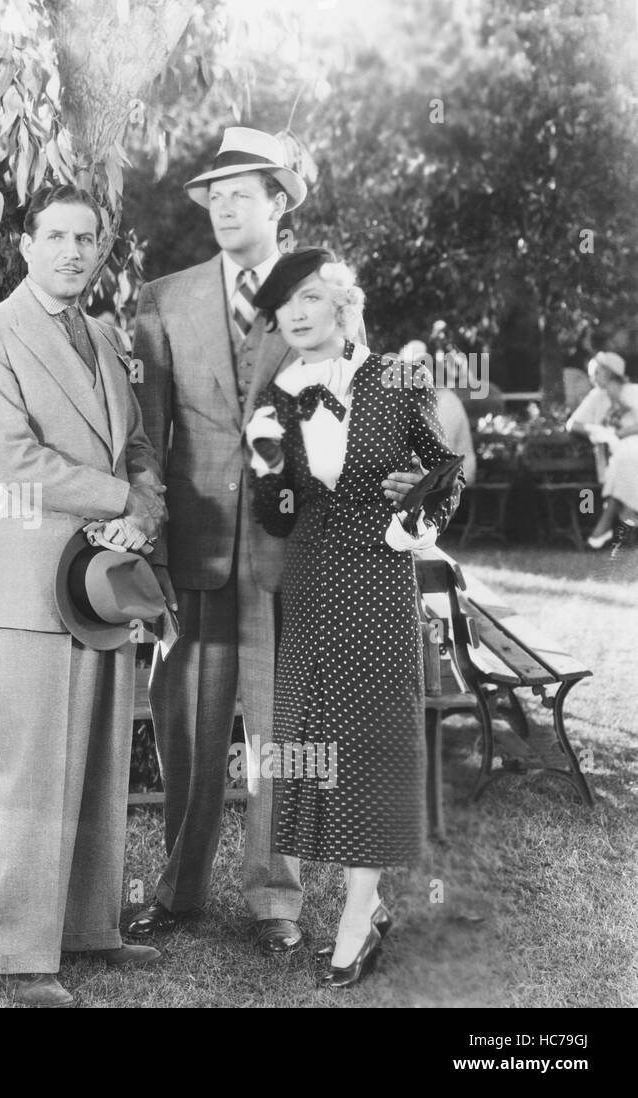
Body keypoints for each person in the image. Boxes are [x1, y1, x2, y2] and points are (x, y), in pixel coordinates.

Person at [0, 184, 167, 1007]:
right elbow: (15, 460)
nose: (74, 251)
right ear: (26, 244)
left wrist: (145, 503)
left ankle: (90, 930)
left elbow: (138, 442)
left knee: (102, 759)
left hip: (106, 577)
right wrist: (125, 503)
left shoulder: (108, 335)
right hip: (38, 577)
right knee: (37, 770)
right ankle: (23, 956)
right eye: (57, 236)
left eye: (88, 237)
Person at [246, 247, 462, 988]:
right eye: (284, 308)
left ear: (341, 303)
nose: (296, 316)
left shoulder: (398, 376)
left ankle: (359, 908)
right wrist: (269, 474)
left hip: (377, 575)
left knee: (370, 737)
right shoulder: (278, 392)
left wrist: (416, 511)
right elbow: (276, 516)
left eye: (309, 299)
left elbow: (446, 468)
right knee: (307, 740)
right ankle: (344, 897)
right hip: (308, 575)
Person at [128, 126, 309, 952]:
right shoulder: (164, 298)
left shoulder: (320, 297)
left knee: (285, 738)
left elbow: (349, 427)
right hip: (193, 559)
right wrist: (153, 551)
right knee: (189, 732)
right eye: (214, 195)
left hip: (288, 559)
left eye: (243, 192)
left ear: (279, 203)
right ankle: (180, 891)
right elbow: (146, 441)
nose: (224, 206)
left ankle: (277, 902)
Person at [566, 351, 638, 553]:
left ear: (610, 373)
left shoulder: (633, 392)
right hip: (610, 453)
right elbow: (573, 423)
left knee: (628, 455)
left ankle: (605, 525)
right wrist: (594, 430)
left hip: (632, 445)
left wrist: (621, 432)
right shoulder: (596, 397)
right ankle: (623, 516)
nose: (592, 378)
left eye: (596, 373)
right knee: (623, 458)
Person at [401, 339, 476, 485]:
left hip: (446, 487)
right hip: (438, 483)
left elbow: (433, 456)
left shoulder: (446, 403)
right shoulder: (419, 400)